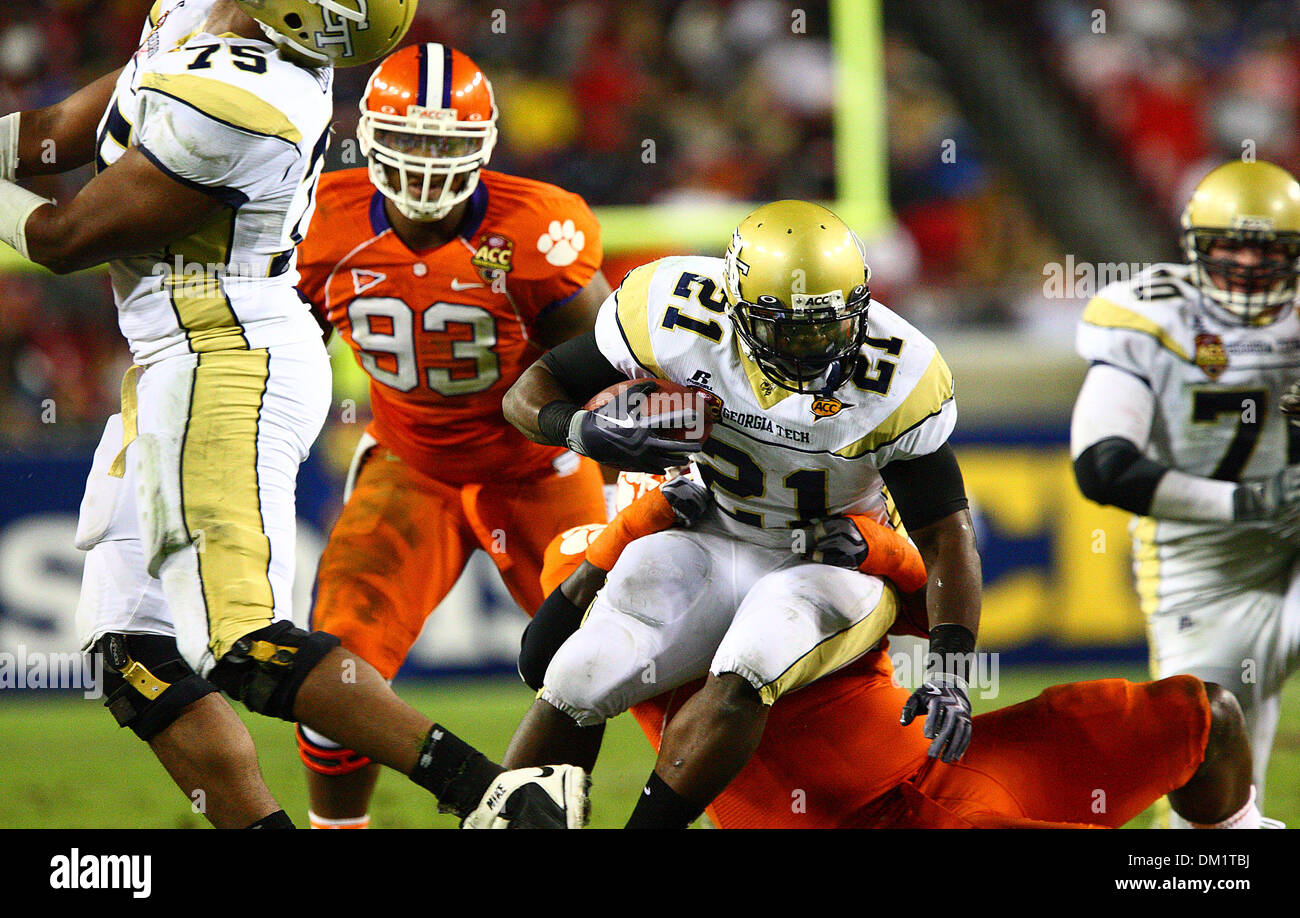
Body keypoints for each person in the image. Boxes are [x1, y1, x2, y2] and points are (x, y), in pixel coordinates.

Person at [0, 0, 584, 829]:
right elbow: (57, 129)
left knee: (242, 646)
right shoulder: (202, 20)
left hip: (221, 355)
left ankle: (496, 794)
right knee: (137, 657)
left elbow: (62, 237)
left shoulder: (251, 99)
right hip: (172, 356)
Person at [498, 199, 983, 828]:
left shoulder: (899, 376)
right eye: (789, 329)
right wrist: (584, 431)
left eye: (828, 327)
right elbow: (530, 390)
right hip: (707, 526)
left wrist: (950, 670)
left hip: (824, 558)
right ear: (736, 309)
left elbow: (947, 538)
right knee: (576, 674)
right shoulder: (673, 314)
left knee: (748, 666)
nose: (812, 348)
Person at [524, 471, 1281, 829]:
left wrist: (875, 547)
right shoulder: (626, 558)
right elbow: (553, 659)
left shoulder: (816, 513)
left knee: (1203, 715)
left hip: (948, 762)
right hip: (854, 823)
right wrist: (642, 526)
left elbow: (931, 603)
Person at [291, 42, 610, 829]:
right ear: (368, 137)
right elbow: (273, 352)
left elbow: (612, 361)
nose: (428, 162)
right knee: (338, 681)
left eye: (446, 141)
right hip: (411, 465)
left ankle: (539, 819)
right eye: (411, 139)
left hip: (540, 467)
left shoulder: (533, 225)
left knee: (607, 668)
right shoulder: (318, 220)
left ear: (485, 144)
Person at [1071, 159, 1300, 809]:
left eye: (1270, 247)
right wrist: (1249, 501)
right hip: (1206, 570)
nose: (1251, 263)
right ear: (1195, 246)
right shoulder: (1148, 317)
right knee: (1205, 779)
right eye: (1232, 244)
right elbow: (1102, 465)